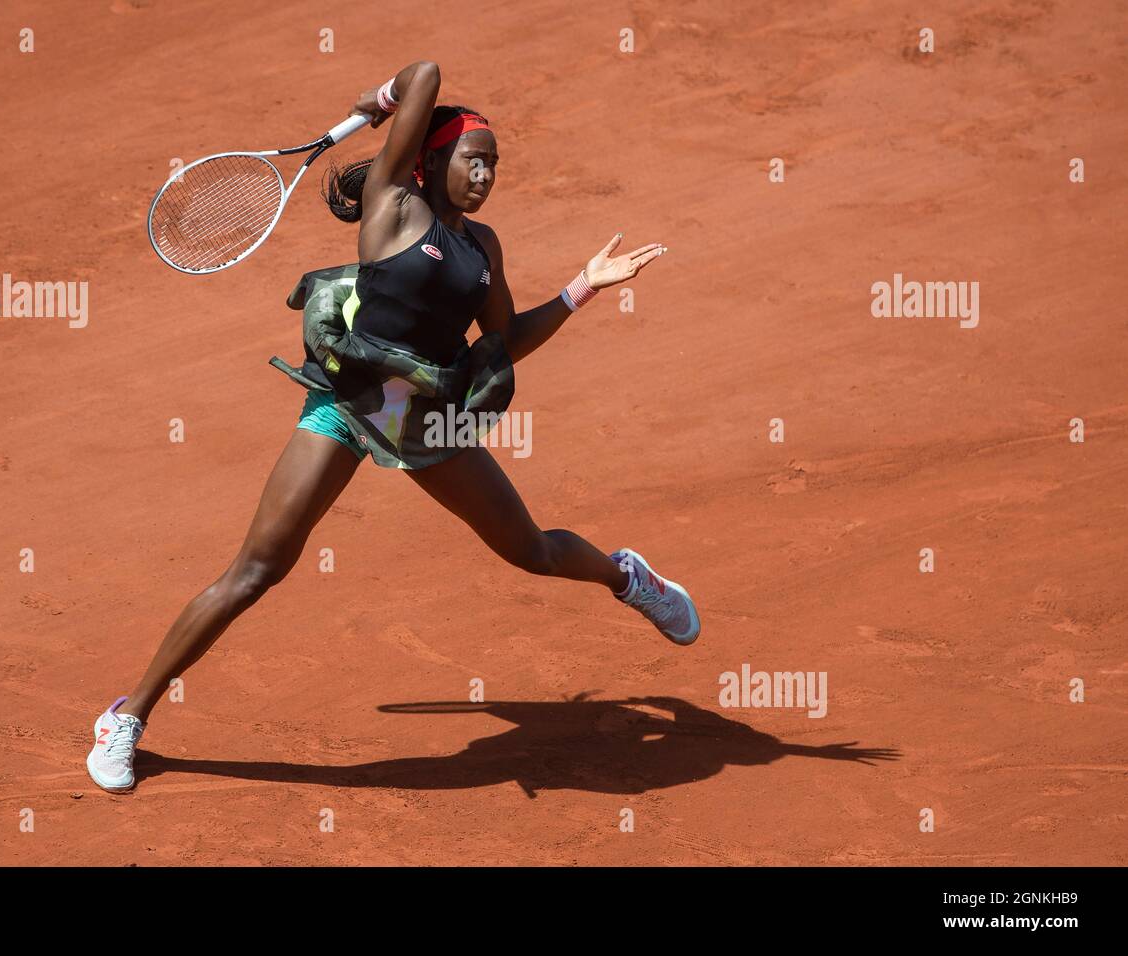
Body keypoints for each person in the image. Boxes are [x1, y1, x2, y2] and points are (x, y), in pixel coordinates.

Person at [88, 61, 699, 794]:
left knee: (531, 549)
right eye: (476, 160)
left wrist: (581, 289)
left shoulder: (483, 249)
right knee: (257, 570)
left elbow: (498, 343)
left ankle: (627, 578)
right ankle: (128, 717)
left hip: (427, 422)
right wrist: (375, 103)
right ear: (432, 160)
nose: (486, 176)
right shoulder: (392, 205)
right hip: (348, 405)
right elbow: (426, 74)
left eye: (495, 165)